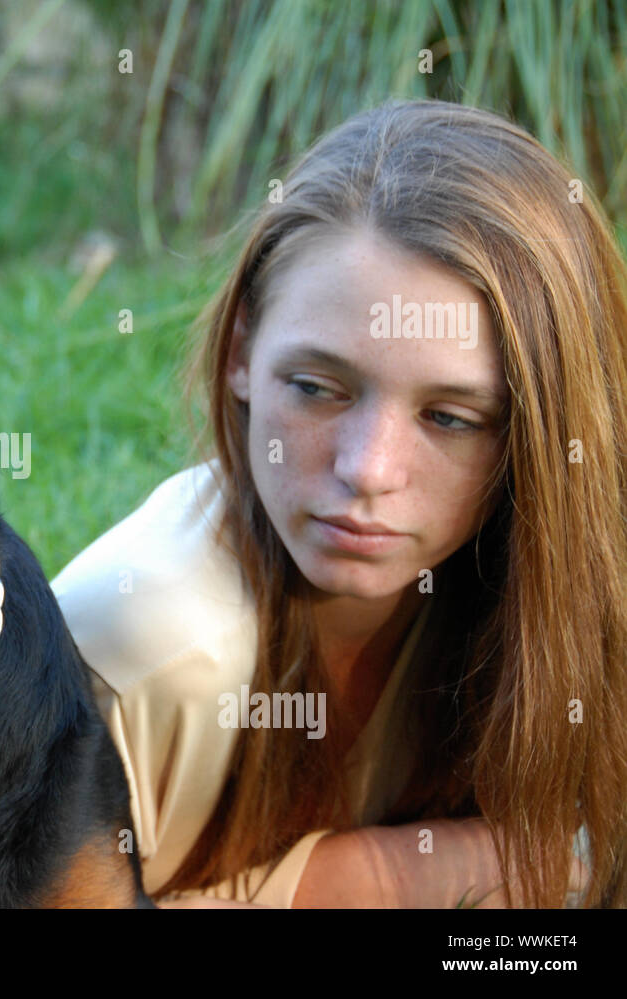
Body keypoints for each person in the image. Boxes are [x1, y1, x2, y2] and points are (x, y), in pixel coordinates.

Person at [52, 99, 627, 908]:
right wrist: (375, 881)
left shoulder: (573, 594)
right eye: (318, 388)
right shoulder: (147, 640)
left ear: (538, 431)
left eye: (450, 418)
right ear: (244, 351)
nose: (367, 469)